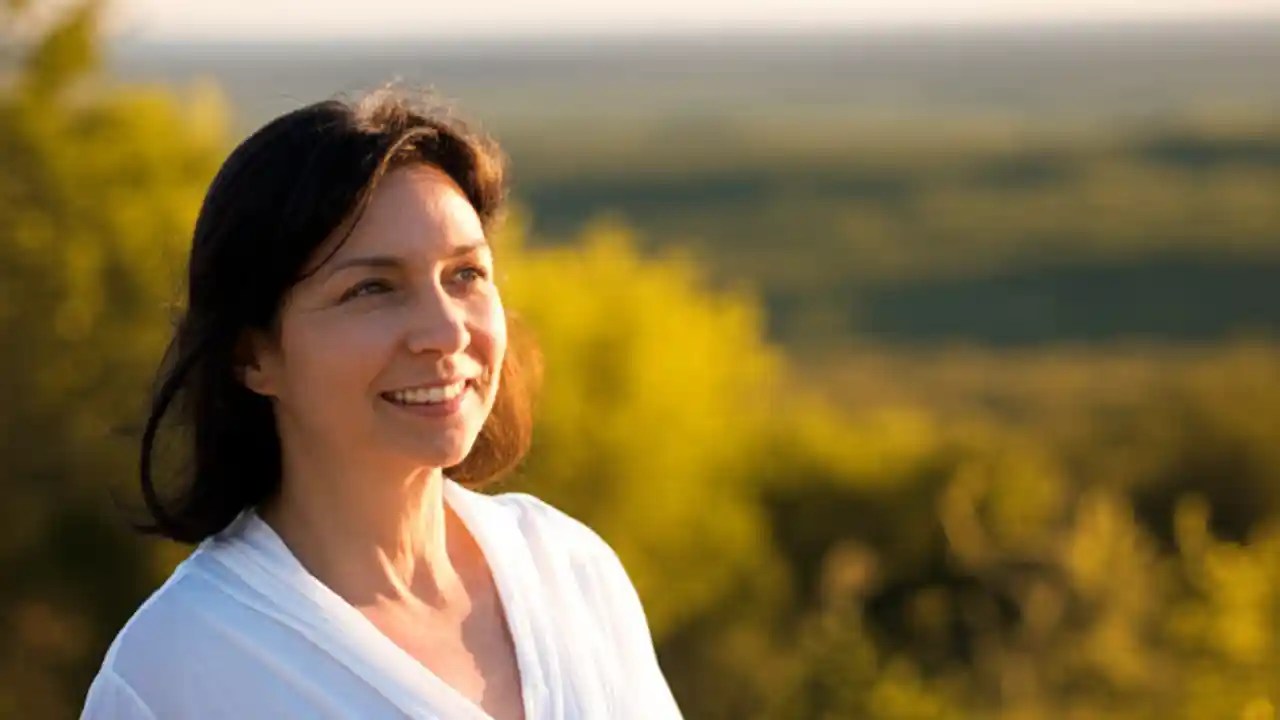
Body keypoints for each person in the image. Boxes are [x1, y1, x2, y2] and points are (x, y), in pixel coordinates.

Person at [80, 88, 683, 720]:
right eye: (373, 288)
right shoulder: (175, 671)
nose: (446, 332)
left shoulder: (570, 572)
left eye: (466, 275)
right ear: (253, 356)